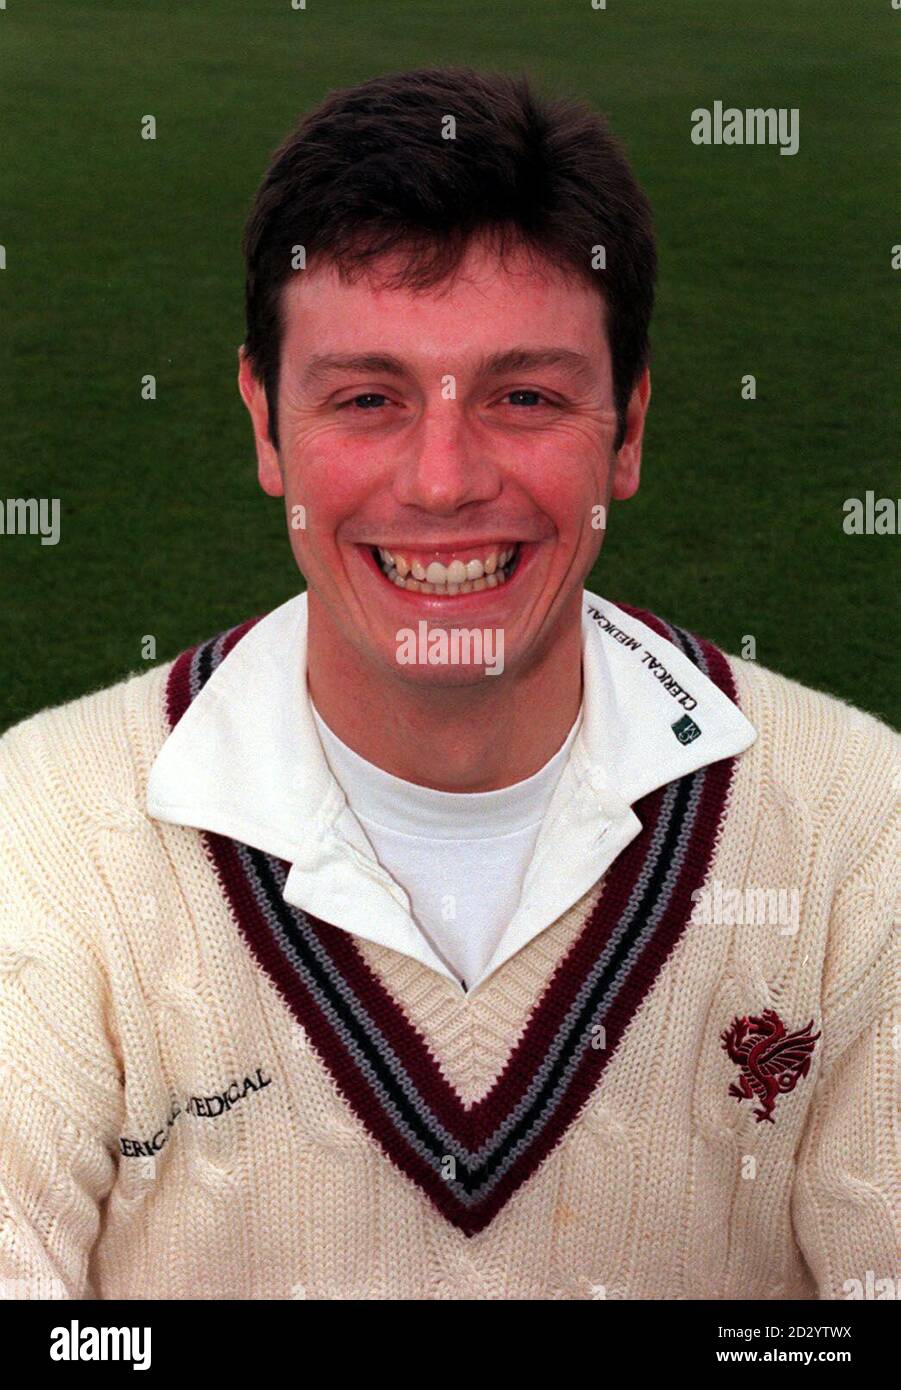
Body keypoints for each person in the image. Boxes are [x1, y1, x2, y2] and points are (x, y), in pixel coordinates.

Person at [0, 68, 895, 1300]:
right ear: (265, 425)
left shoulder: (859, 825)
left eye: (525, 396)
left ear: (627, 429)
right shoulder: (40, 826)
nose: (441, 479)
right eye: (367, 398)